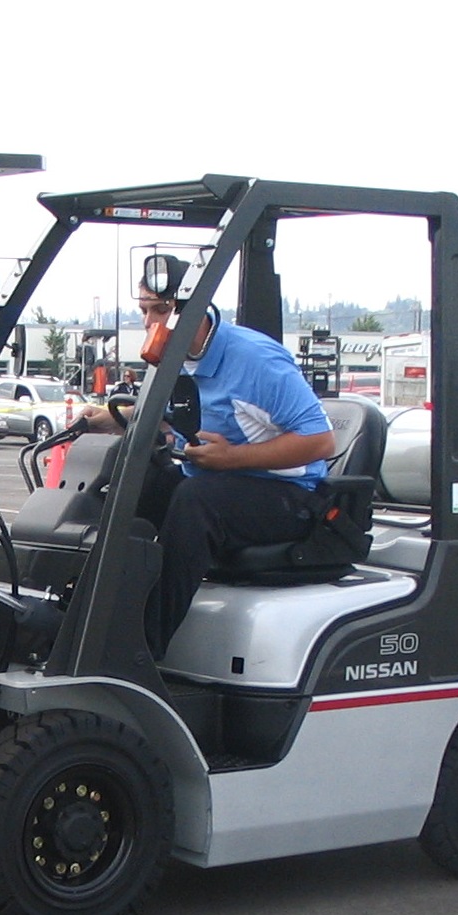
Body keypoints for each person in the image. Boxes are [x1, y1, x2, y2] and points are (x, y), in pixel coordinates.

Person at [84, 264, 335, 657]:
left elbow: (320, 441)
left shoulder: (255, 360)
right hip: (216, 479)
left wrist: (233, 458)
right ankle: (87, 619)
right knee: (130, 472)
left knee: (195, 500)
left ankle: (141, 651)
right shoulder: (176, 357)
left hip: (290, 496)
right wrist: (108, 418)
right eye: (145, 310)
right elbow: (168, 411)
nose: (149, 322)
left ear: (192, 308)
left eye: (159, 310)